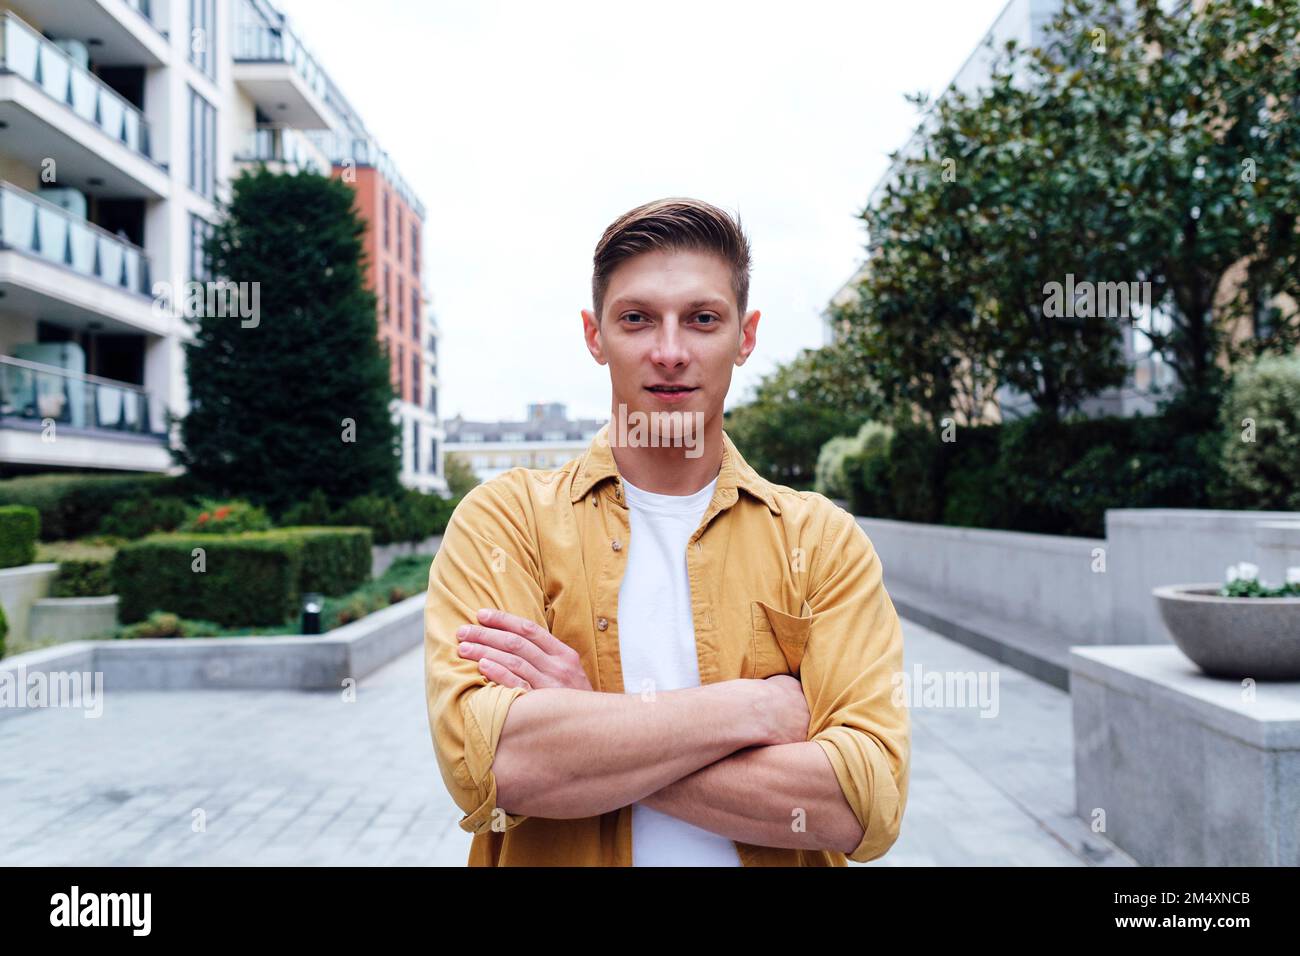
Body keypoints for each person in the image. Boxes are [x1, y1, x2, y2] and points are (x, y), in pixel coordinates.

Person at [423, 197, 909, 866]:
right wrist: (751, 711)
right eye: (637, 319)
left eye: (703, 319)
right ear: (596, 335)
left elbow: (865, 803)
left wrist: (592, 728)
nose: (671, 351)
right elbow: (497, 765)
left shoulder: (823, 541)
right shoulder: (507, 522)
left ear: (746, 335)